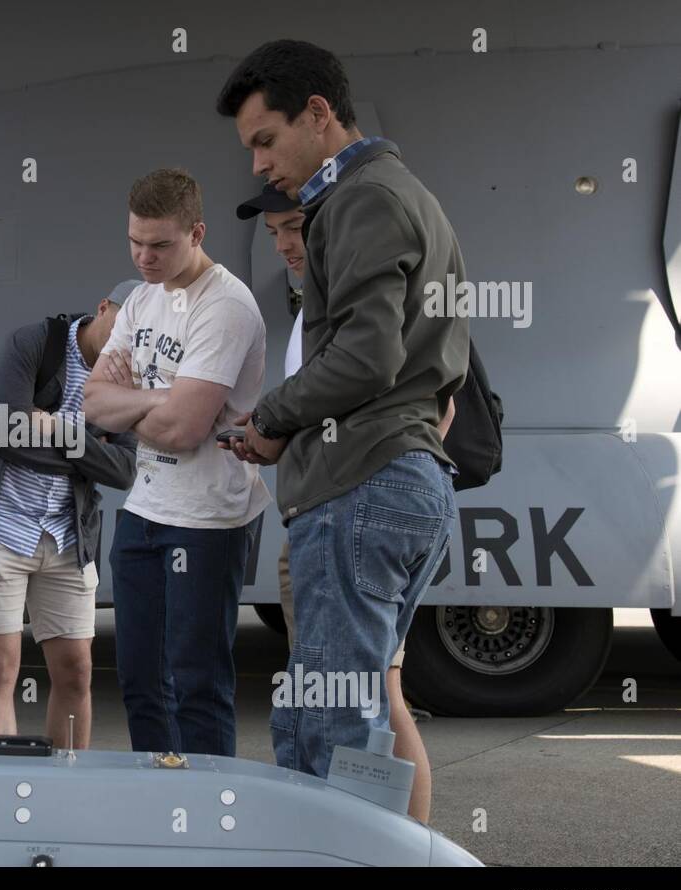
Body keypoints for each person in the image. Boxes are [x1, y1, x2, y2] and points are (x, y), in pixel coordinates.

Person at [215, 40, 468, 779]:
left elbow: (366, 356)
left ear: (318, 114)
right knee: (329, 713)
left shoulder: (360, 198)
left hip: (360, 486)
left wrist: (268, 419)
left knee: (333, 732)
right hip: (396, 478)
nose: (259, 165)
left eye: (265, 140)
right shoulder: (400, 193)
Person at [237, 182, 452, 822]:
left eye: (296, 228)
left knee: (333, 710)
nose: (285, 245)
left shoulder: (361, 293)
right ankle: (406, 850)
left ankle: (358, 849)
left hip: (350, 499)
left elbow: (430, 400)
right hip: (371, 497)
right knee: (373, 691)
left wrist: (271, 425)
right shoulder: (332, 305)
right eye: (274, 232)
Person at [84, 168, 271, 758]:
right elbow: (91, 403)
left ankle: (210, 820)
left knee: (197, 682)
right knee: (140, 682)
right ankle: (158, 805)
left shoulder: (226, 306)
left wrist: (140, 402)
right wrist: (164, 399)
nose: (144, 256)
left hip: (208, 517)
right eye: (135, 242)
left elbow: (186, 430)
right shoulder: (141, 299)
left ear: (197, 233)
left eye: (160, 244)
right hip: (143, 509)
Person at [0, 283, 139, 748]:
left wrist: (54, 426)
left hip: (67, 538)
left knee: (76, 673)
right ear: (102, 310)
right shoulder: (33, 343)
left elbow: (124, 470)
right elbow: (4, 432)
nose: (127, 346)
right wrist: (90, 449)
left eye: (142, 338)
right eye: (124, 329)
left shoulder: (131, 379)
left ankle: (64, 794)